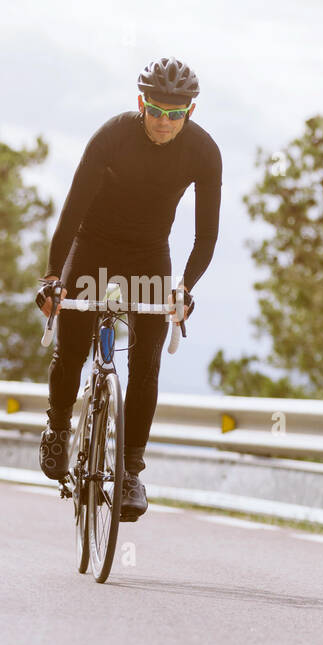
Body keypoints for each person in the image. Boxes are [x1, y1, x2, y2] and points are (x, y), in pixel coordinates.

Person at [34, 57, 222, 522]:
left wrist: (184, 288)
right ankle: (58, 428)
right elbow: (71, 212)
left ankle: (131, 471)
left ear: (190, 113)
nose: (163, 122)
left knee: (147, 363)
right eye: (156, 111)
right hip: (92, 245)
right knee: (72, 349)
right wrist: (53, 279)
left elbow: (206, 236)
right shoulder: (112, 136)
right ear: (142, 103)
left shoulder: (203, 152)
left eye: (175, 115)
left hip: (149, 255)